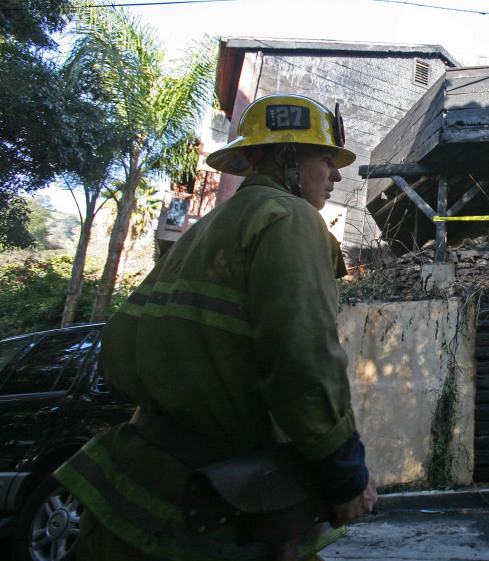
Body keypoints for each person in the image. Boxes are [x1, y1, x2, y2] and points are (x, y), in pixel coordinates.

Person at [56, 93, 377, 561]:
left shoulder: (205, 229)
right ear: (286, 157)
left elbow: (120, 344)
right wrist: (347, 473)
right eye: (326, 158)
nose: (336, 174)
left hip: (128, 492)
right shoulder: (291, 219)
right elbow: (303, 363)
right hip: (202, 515)